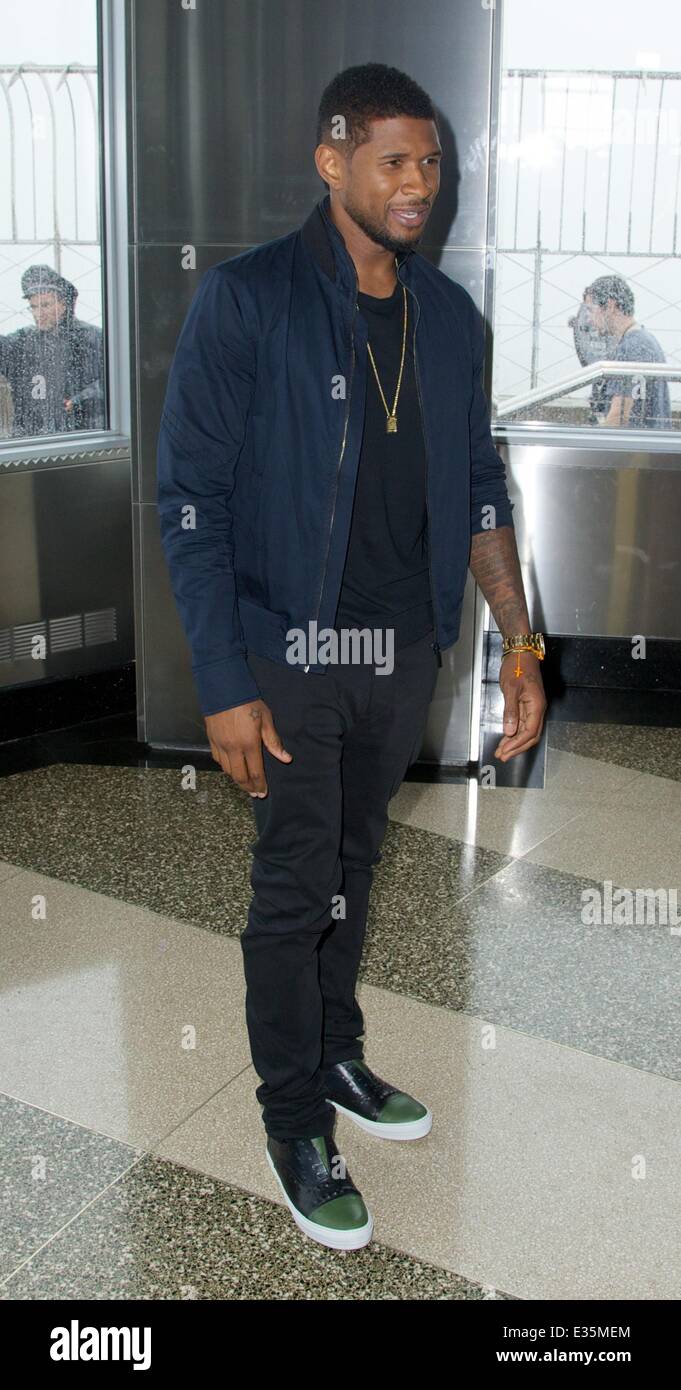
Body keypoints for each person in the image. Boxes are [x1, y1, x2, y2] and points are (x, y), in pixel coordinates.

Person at [157, 63, 546, 1251]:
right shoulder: (250, 301)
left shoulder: (453, 322)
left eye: (431, 161)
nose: (420, 183)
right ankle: (290, 1122)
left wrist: (519, 644)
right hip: (285, 652)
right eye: (393, 161)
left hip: (396, 656)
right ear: (331, 163)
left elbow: (479, 489)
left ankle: (335, 1057)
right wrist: (223, 680)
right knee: (292, 889)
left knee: (354, 866)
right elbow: (191, 502)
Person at [0, 264, 104, 437]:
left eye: (45, 305)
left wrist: (79, 400)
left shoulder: (92, 338)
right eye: (33, 307)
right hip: (30, 439)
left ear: (64, 304)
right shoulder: (22, 341)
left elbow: (115, 382)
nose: (38, 313)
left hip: (82, 437)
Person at [582, 276, 672, 429]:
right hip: (646, 448)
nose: (589, 320)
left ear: (610, 305)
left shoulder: (633, 347)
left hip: (637, 450)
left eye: (591, 310)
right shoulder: (643, 340)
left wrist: (586, 440)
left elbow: (619, 418)